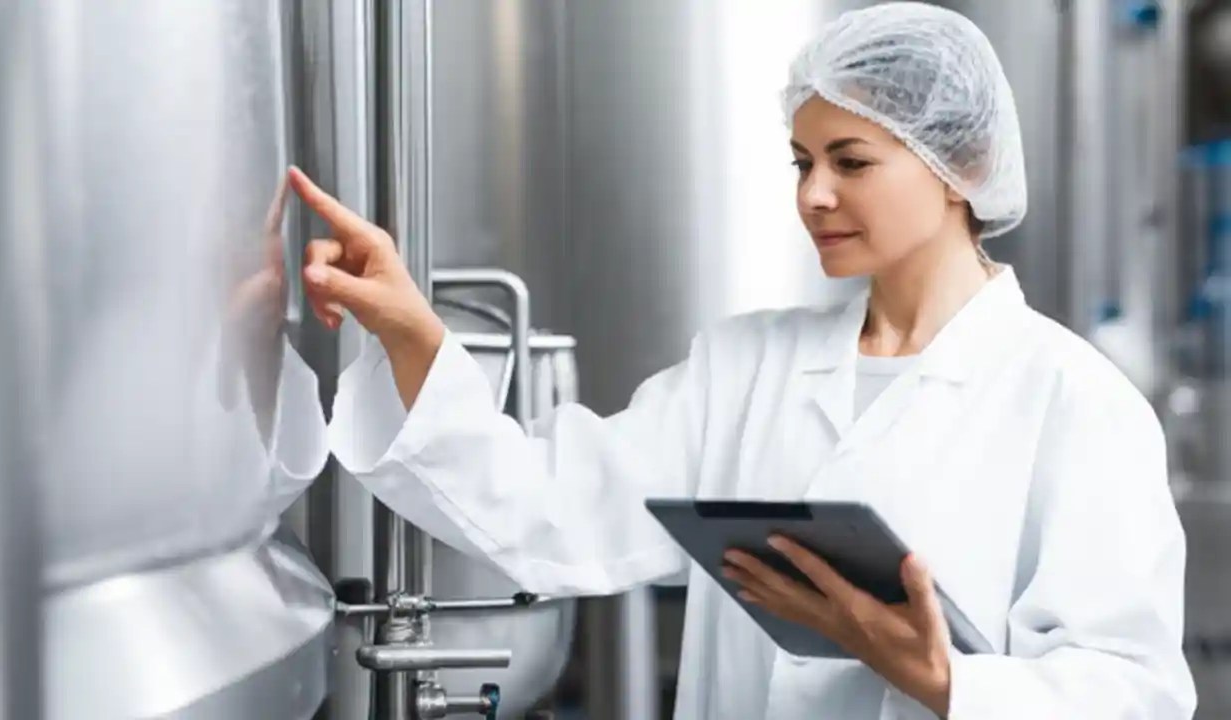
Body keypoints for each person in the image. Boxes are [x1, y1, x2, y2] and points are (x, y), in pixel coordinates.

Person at [293, 3, 1196, 718]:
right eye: (802, 160)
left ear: (959, 164)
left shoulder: (1075, 401)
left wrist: (941, 681)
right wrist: (414, 333)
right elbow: (553, 514)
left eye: (852, 160)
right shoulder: (743, 366)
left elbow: (1134, 690)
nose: (813, 195)